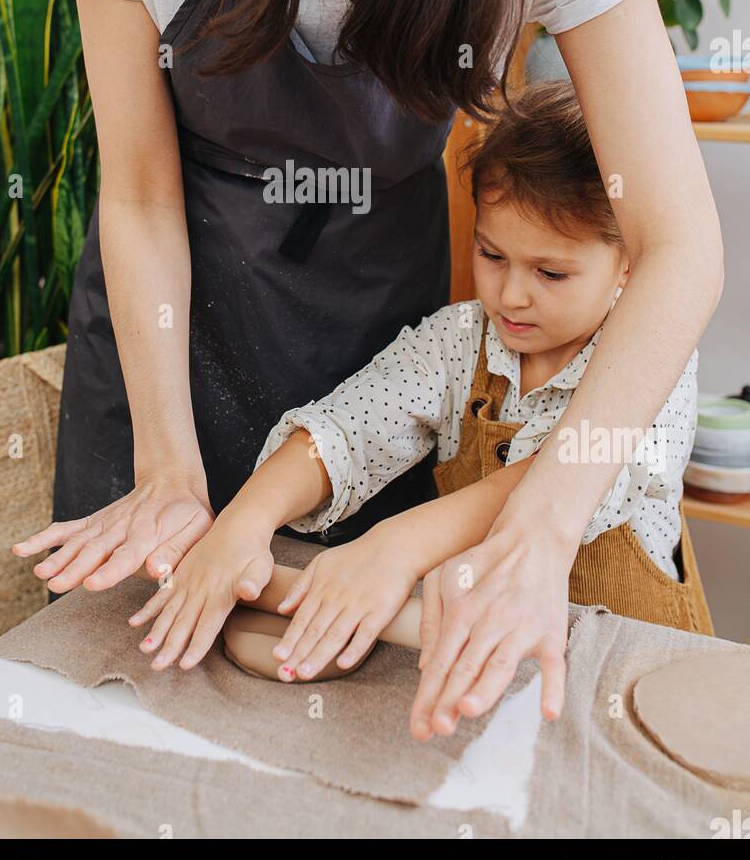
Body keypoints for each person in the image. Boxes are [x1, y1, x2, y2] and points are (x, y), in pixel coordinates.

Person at [14, 0, 723, 722]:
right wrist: (172, 471)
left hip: (374, 344)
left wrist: (542, 523)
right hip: (164, 353)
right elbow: (136, 193)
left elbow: (675, 241)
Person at [120, 82, 715, 741]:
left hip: (630, 691)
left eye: (551, 274)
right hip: (492, 697)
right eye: (492, 255)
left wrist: (396, 547)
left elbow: (569, 474)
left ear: (630, 261)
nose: (511, 294)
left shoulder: (657, 361)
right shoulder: (461, 340)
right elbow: (350, 426)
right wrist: (246, 520)